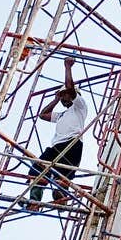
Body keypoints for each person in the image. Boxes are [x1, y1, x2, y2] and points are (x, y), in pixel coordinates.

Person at [21, 60, 92, 210]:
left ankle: (61, 196)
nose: (63, 98)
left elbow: (71, 89)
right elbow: (43, 114)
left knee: (63, 176)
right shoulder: (61, 115)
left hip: (72, 144)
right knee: (37, 170)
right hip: (56, 146)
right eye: (62, 95)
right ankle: (34, 201)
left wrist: (67, 68)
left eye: (65, 95)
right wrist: (56, 99)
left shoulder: (79, 107)